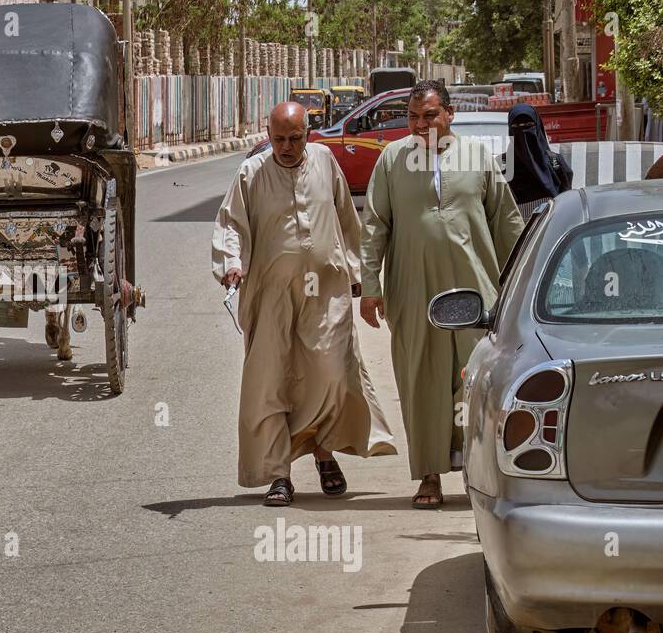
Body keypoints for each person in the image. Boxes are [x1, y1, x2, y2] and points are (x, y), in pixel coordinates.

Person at [213, 101, 396, 506]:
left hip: (326, 291)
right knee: (271, 381)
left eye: (295, 139)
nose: (286, 147)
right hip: (270, 293)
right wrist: (231, 264)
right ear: (267, 134)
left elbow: (347, 219)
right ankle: (278, 474)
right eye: (278, 139)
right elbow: (231, 224)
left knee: (331, 372)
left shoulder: (326, 161)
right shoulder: (252, 173)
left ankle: (324, 451)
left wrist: (358, 275)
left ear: (309, 134)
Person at [359, 80, 524, 509]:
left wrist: (525, 280)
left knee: (477, 381)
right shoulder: (392, 160)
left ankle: (480, 473)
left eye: (429, 115)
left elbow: (506, 221)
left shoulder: (476, 157)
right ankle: (429, 476)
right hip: (413, 291)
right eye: (413, 116)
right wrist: (371, 288)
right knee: (421, 381)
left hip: (476, 288)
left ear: (449, 114)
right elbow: (375, 225)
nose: (420, 124)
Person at [506, 103, 573, 220]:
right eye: (517, 125)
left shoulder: (555, 163)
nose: (523, 130)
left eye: (528, 124)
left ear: (538, 128)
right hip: (515, 235)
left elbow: (567, 204)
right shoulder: (502, 167)